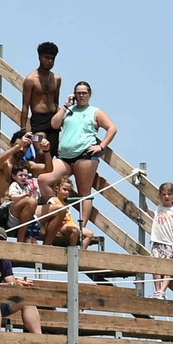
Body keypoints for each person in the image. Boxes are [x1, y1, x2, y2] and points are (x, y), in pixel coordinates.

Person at [50, 81, 117, 233]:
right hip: (64, 156)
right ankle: (54, 218)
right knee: (49, 180)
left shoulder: (95, 112)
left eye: (84, 93)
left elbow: (112, 128)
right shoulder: (69, 110)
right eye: (78, 93)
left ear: (89, 94)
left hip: (85, 155)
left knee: (84, 193)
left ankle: (82, 227)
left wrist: (101, 146)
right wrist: (65, 106)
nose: (81, 96)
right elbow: (54, 124)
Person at [22, 42, 62, 155]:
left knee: (52, 152)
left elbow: (56, 101)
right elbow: (25, 105)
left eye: (52, 58)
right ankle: (33, 171)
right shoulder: (31, 79)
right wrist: (23, 130)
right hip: (37, 123)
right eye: (47, 57)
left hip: (53, 121)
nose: (49, 61)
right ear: (40, 57)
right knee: (40, 152)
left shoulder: (56, 79)